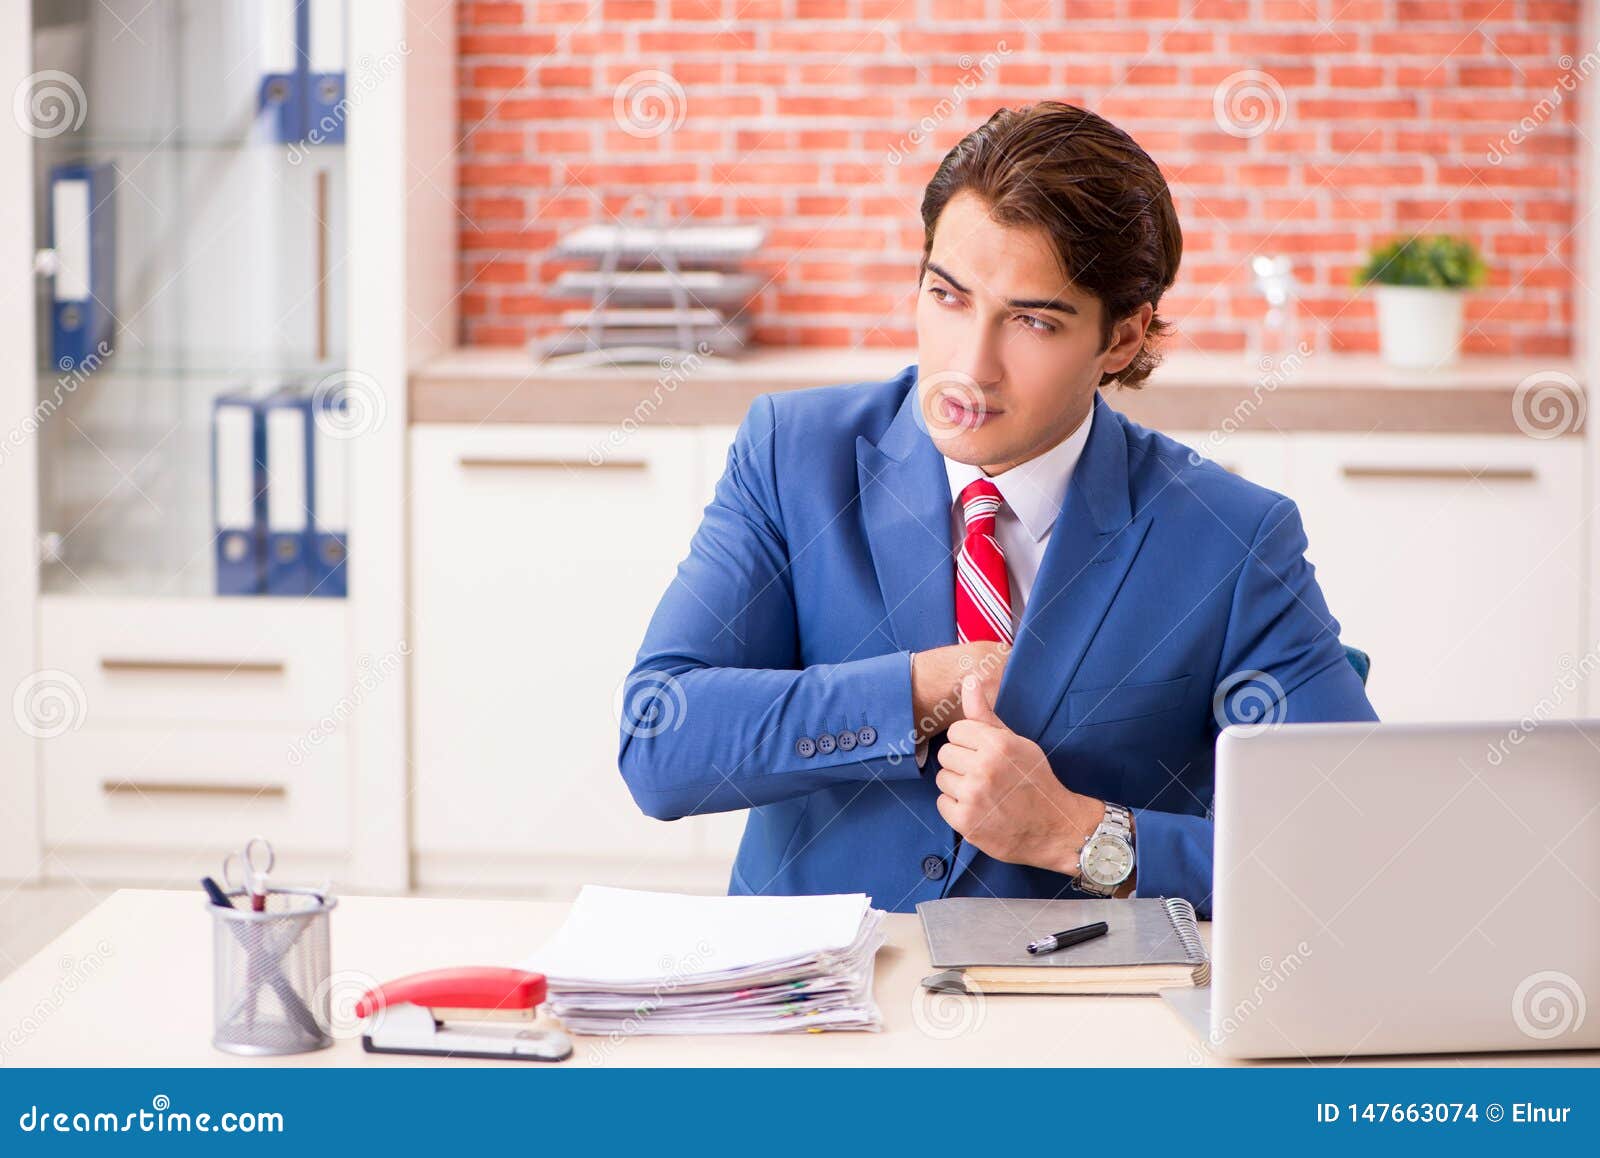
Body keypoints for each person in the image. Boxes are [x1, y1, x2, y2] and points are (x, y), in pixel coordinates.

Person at [618, 100, 1376, 917]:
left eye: (1031, 321)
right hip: (827, 1012)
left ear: (1122, 339)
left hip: (1081, 1014)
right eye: (949, 298)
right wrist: (923, 686)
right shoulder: (794, 455)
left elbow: (1348, 846)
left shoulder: (1229, 537)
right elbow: (662, 745)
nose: (970, 368)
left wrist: (1081, 836)